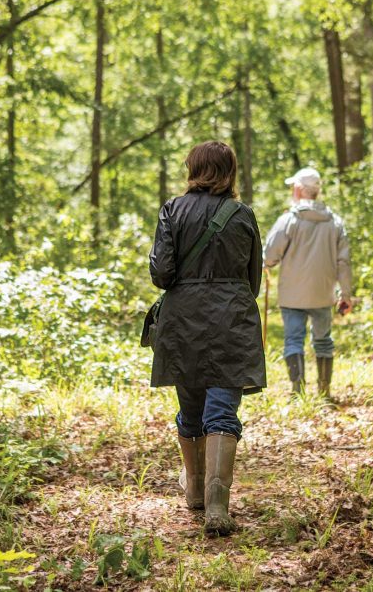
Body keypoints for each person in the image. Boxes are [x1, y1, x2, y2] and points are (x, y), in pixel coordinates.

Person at [149, 141, 266, 536]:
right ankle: (218, 505)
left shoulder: (172, 210)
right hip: (232, 318)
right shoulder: (243, 214)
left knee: (192, 407)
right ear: (230, 171)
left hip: (183, 320)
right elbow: (254, 280)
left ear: (193, 168)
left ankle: (195, 491)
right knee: (222, 410)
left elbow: (161, 273)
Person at [263, 167, 352, 398]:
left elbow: (270, 255)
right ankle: (324, 392)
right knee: (323, 341)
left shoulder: (288, 220)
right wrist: (345, 294)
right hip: (323, 293)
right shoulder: (335, 222)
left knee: (293, 340)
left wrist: (266, 264)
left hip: (292, 295)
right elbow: (344, 261)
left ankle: (297, 392)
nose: (293, 190)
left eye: (294, 186)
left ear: (300, 189)